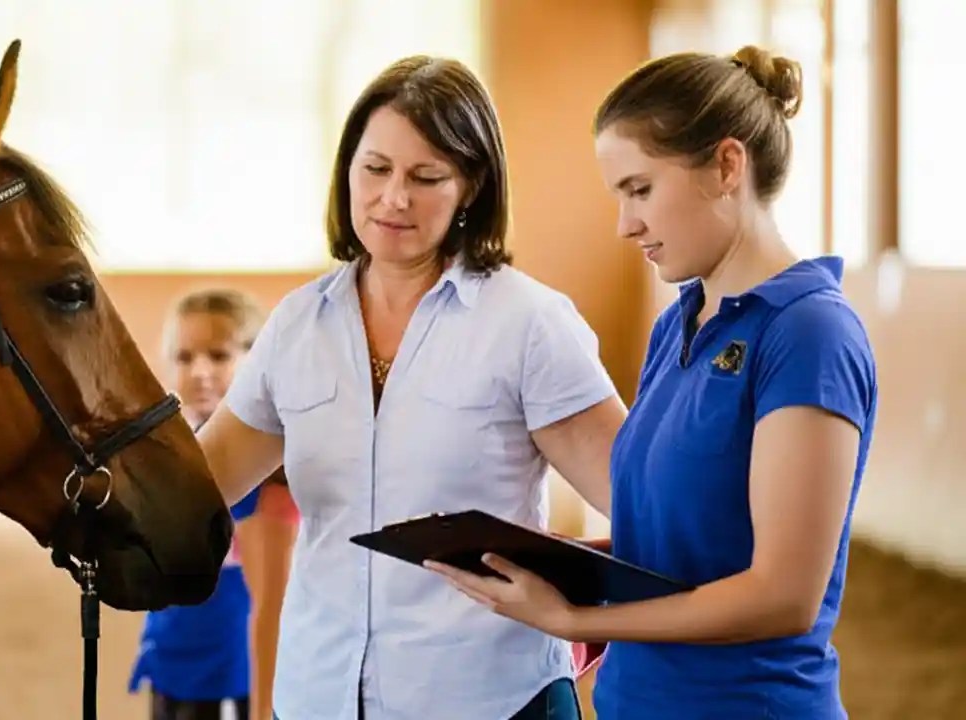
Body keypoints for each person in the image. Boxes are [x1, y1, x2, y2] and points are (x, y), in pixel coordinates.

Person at [428, 45, 878, 719]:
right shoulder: (679, 324)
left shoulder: (809, 332)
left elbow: (784, 596)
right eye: (619, 195)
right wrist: (563, 566)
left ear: (727, 166)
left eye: (640, 190)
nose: (625, 224)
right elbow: (689, 537)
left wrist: (575, 622)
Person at [197, 55, 627, 720]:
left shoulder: (529, 323)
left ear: (471, 187)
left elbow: (638, 500)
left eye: (425, 177)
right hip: (318, 696)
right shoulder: (297, 326)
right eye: (375, 169)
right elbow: (202, 483)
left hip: (490, 701)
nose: (393, 197)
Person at [128, 288, 298, 720]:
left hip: (232, 675)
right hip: (170, 659)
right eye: (184, 357)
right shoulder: (170, 456)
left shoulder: (268, 475)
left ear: (258, 360)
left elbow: (272, 608)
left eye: (219, 355)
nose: (200, 371)